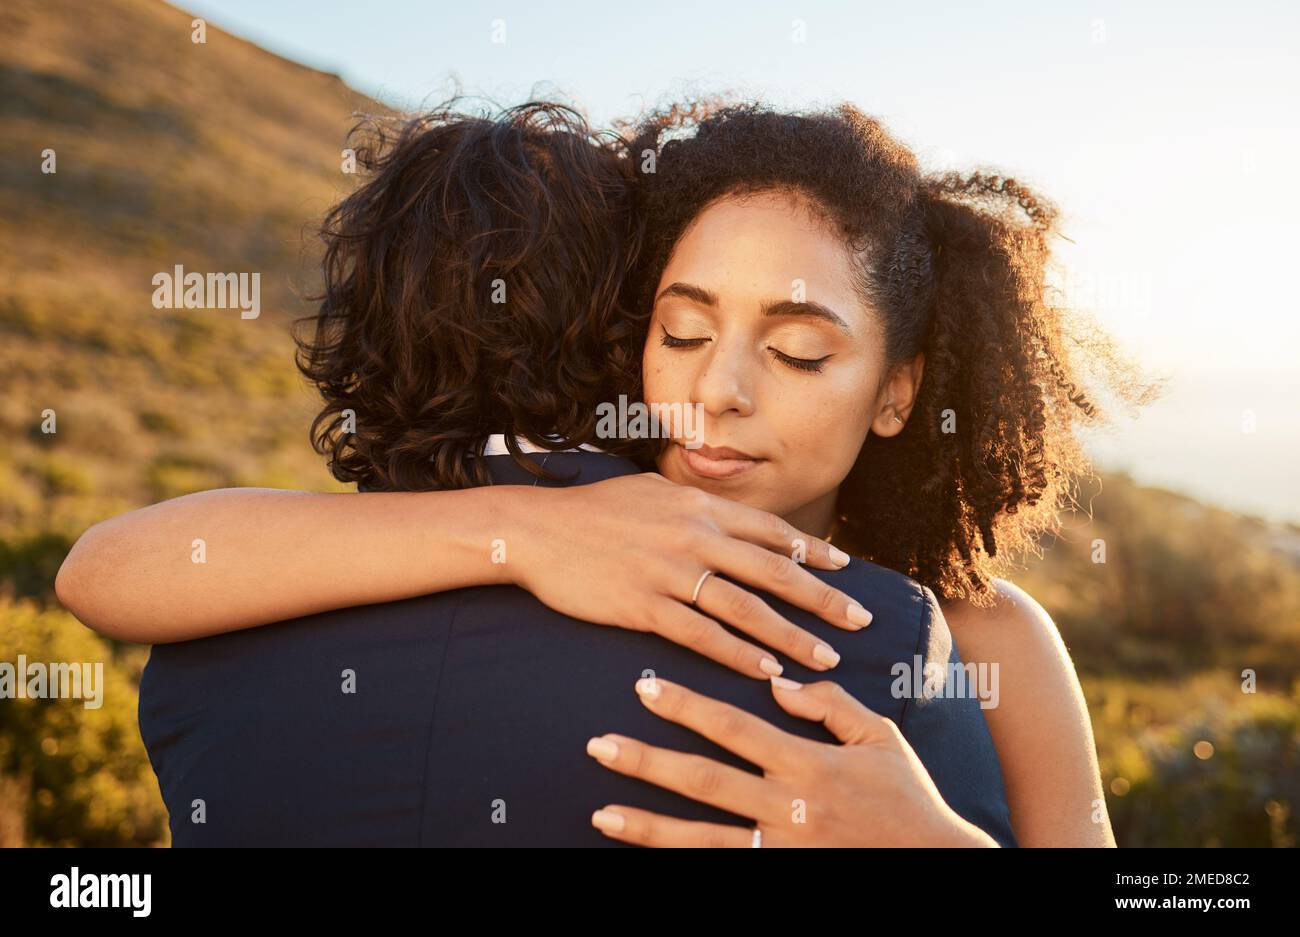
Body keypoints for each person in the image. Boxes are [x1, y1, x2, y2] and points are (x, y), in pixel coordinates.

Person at [59, 98, 1144, 846]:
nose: (719, 389)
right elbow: (107, 568)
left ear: (900, 388)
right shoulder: (561, 539)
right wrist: (524, 532)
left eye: (798, 351)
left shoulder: (984, 633)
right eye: (679, 332)